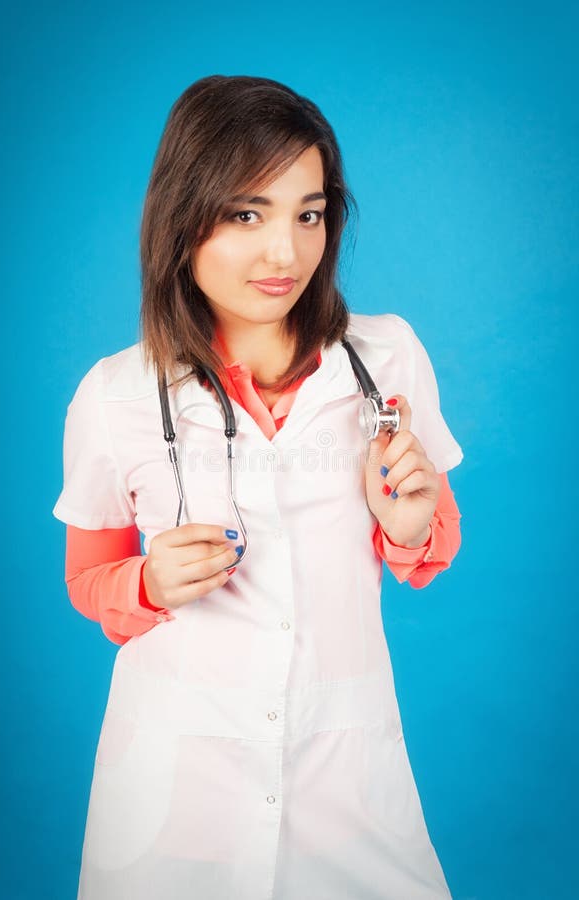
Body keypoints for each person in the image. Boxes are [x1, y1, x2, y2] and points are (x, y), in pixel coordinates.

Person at [53, 74, 464, 900]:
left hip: (344, 778)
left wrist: (412, 527)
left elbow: (431, 539)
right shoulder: (115, 394)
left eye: (307, 214)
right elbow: (89, 578)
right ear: (183, 217)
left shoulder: (386, 359)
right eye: (247, 213)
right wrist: (146, 581)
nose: (286, 253)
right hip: (177, 790)